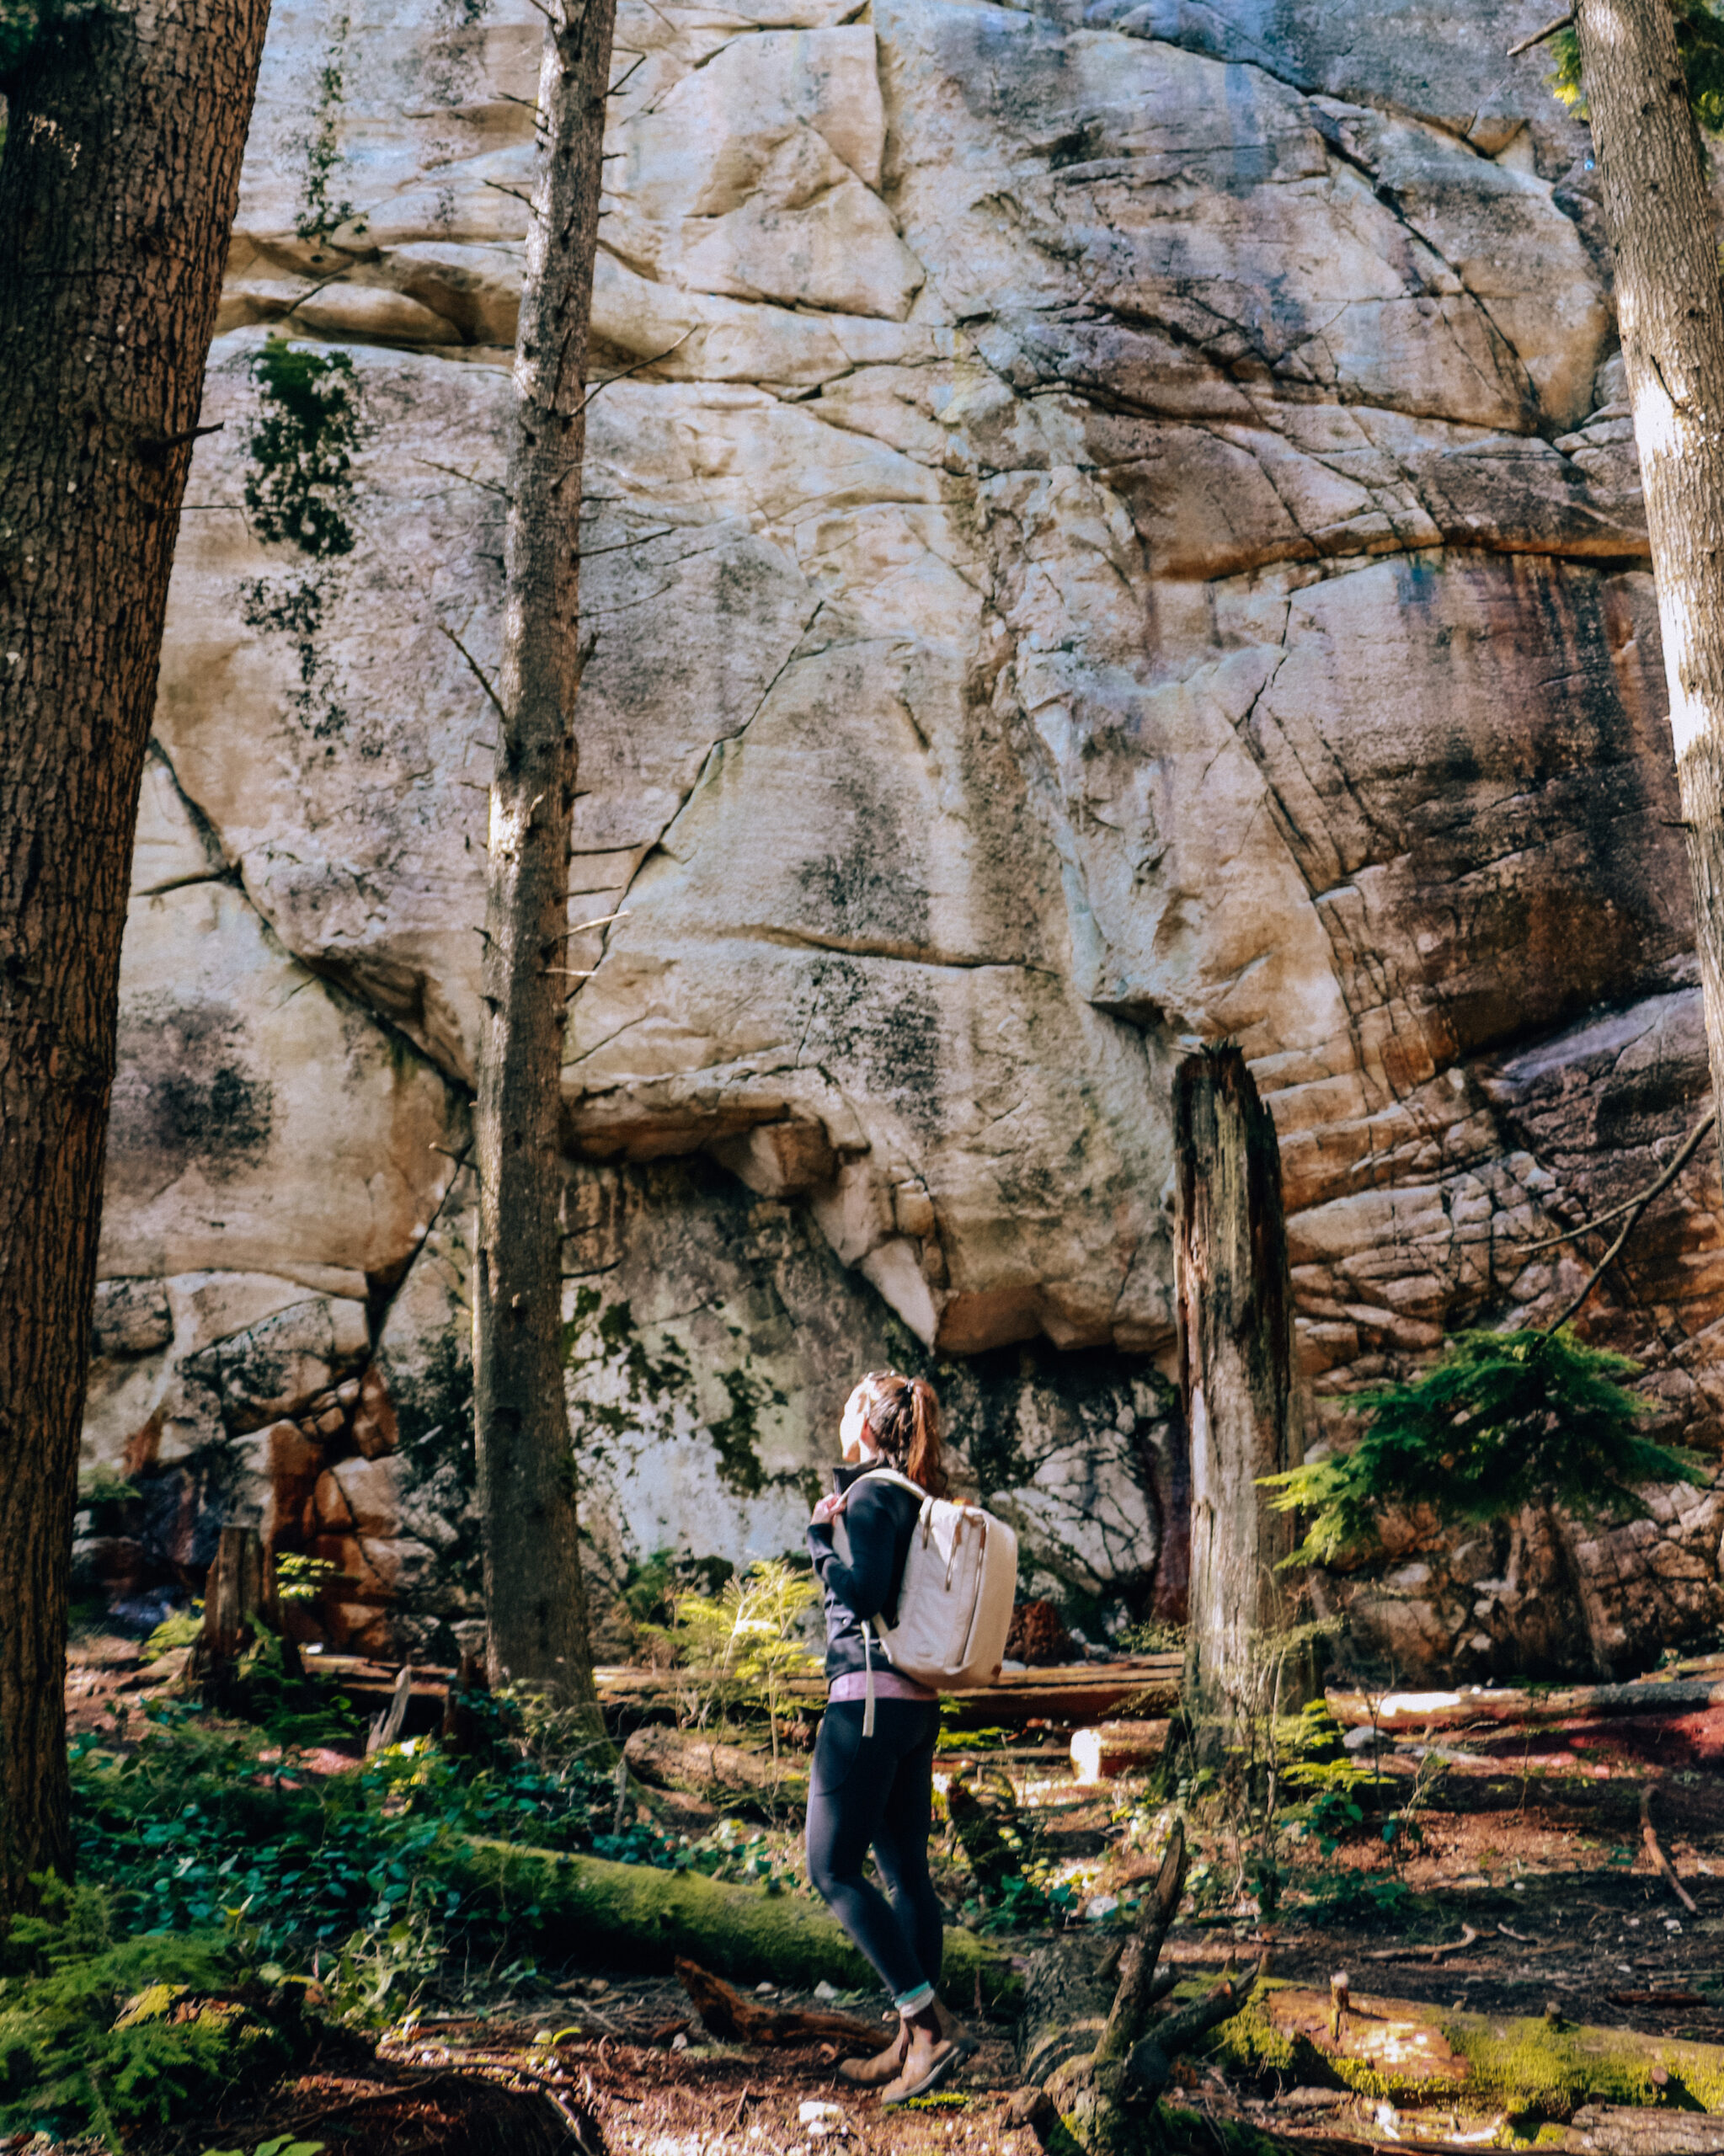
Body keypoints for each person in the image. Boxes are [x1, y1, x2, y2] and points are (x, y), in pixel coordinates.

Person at [804, 1369, 969, 2105]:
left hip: (866, 1703)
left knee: (833, 1868)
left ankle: (926, 2026)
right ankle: (911, 2046)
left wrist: (817, 1537)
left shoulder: (870, 1494)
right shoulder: (913, 1497)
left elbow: (862, 1591)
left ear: (867, 1425)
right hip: (912, 1705)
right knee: (906, 1874)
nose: (842, 1413)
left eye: (849, 1406)